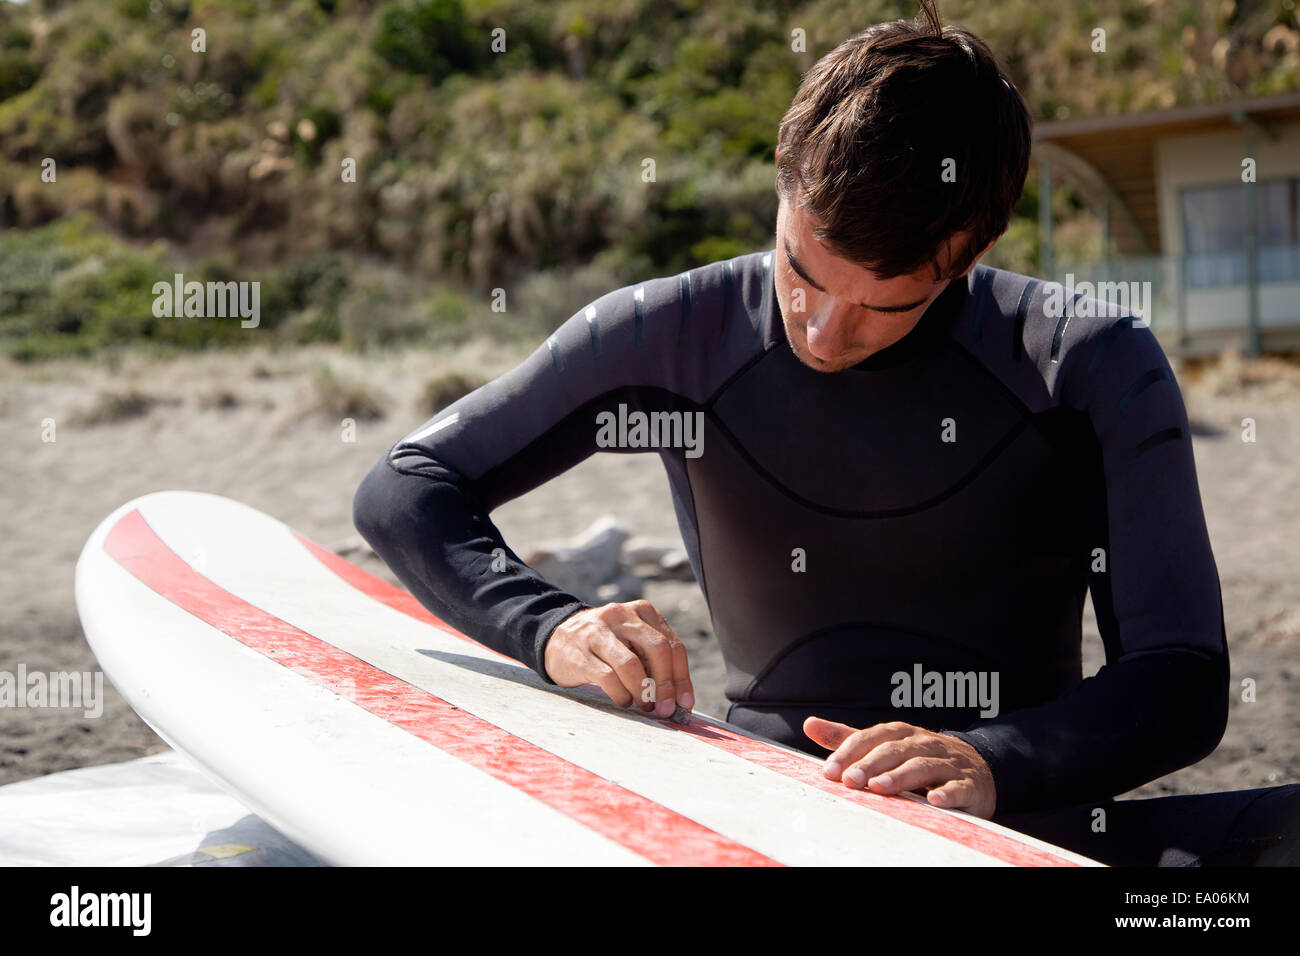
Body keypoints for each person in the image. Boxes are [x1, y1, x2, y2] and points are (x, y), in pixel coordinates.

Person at [352, 1, 1300, 865]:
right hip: (762, 812)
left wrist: (989, 758)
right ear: (782, 176)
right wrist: (550, 625)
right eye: (801, 272)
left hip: (1012, 830)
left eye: (883, 306)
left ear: (970, 251)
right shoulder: (675, 333)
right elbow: (407, 486)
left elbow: (1181, 679)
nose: (821, 330)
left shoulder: (1085, 363)